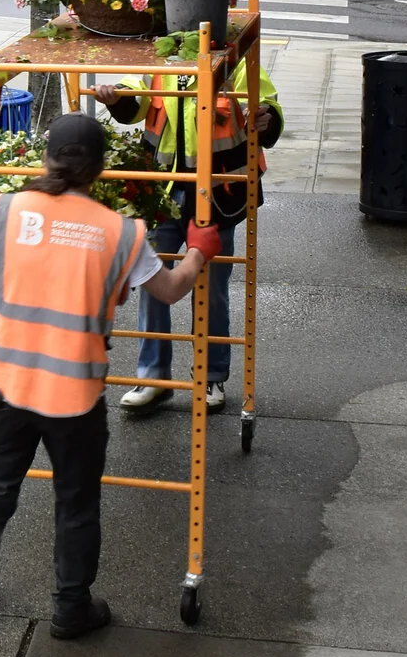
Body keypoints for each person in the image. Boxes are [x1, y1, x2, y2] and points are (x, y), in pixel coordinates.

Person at [0, 113, 212, 657]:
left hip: (2, 388)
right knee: (76, 503)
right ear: (100, 168)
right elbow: (169, 291)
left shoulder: (5, 210)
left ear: (47, 158)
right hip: (75, 398)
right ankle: (71, 608)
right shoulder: (121, 233)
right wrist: (197, 252)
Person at [91, 57, 282, 414]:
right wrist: (116, 97)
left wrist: (266, 116)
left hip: (218, 194)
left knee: (213, 292)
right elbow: (135, 99)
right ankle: (153, 378)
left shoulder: (236, 61)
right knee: (151, 282)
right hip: (162, 191)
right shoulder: (160, 59)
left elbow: (268, 106)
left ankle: (211, 377)